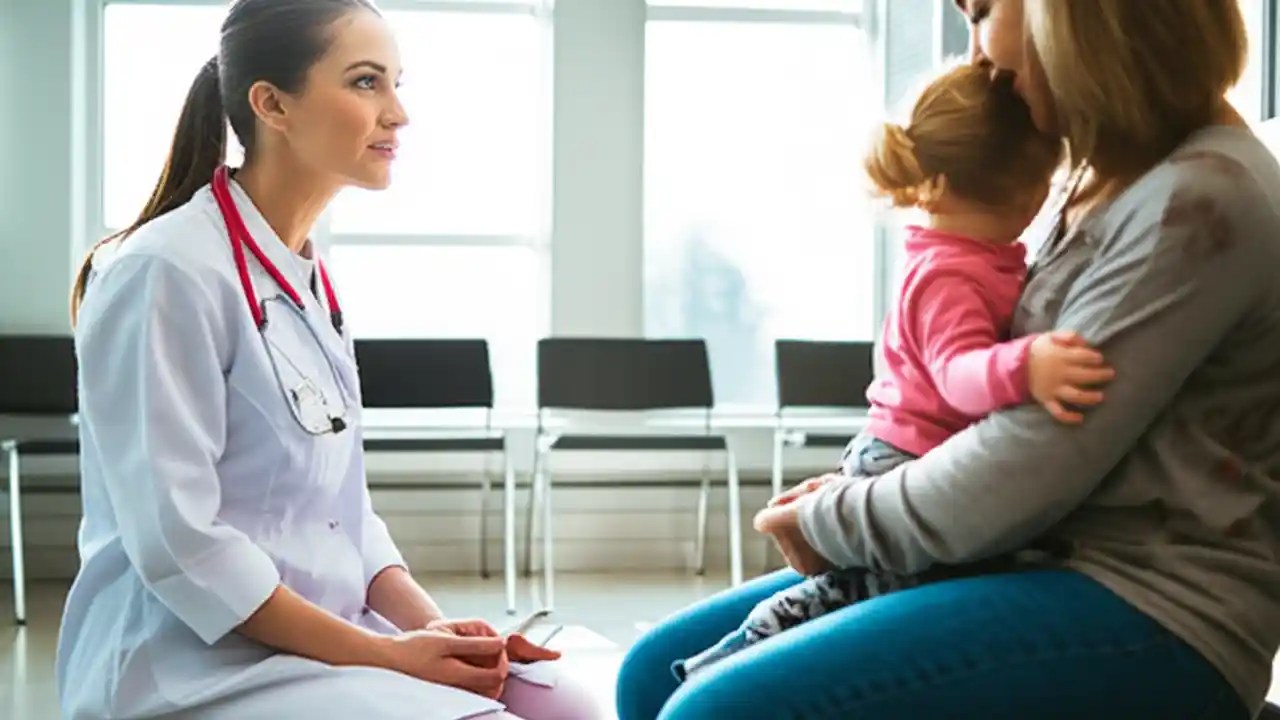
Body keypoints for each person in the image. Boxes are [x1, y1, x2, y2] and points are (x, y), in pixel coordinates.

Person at [616, 0, 1280, 717]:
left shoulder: (1198, 200)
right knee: (650, 674)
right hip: (1030, 558)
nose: (974, 57)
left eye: (983, 10)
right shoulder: (1090, 179)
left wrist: (832, 518)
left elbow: (1020, 470)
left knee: (709, 712)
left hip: (1148, 604)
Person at [55, 2, 600, 718]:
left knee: (568, 706)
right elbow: (180, 545)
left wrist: (433, 631)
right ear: (272, 104)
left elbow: (346, 515)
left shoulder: (301, 277)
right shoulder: (166, 272)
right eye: (367, 82)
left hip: (322, 636)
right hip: (190, 658)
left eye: (397, 82)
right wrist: (386, 655)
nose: (399, 112)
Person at [672, 62, 1115, 681]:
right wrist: (1028, 365)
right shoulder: (948, 273)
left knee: (862, 592)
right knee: (849, 597)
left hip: (903, 452)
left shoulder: (970, 254)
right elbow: (957, 375)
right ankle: (722, 669)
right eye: (1035, 189)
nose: (1040, 204)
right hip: (900, 459)